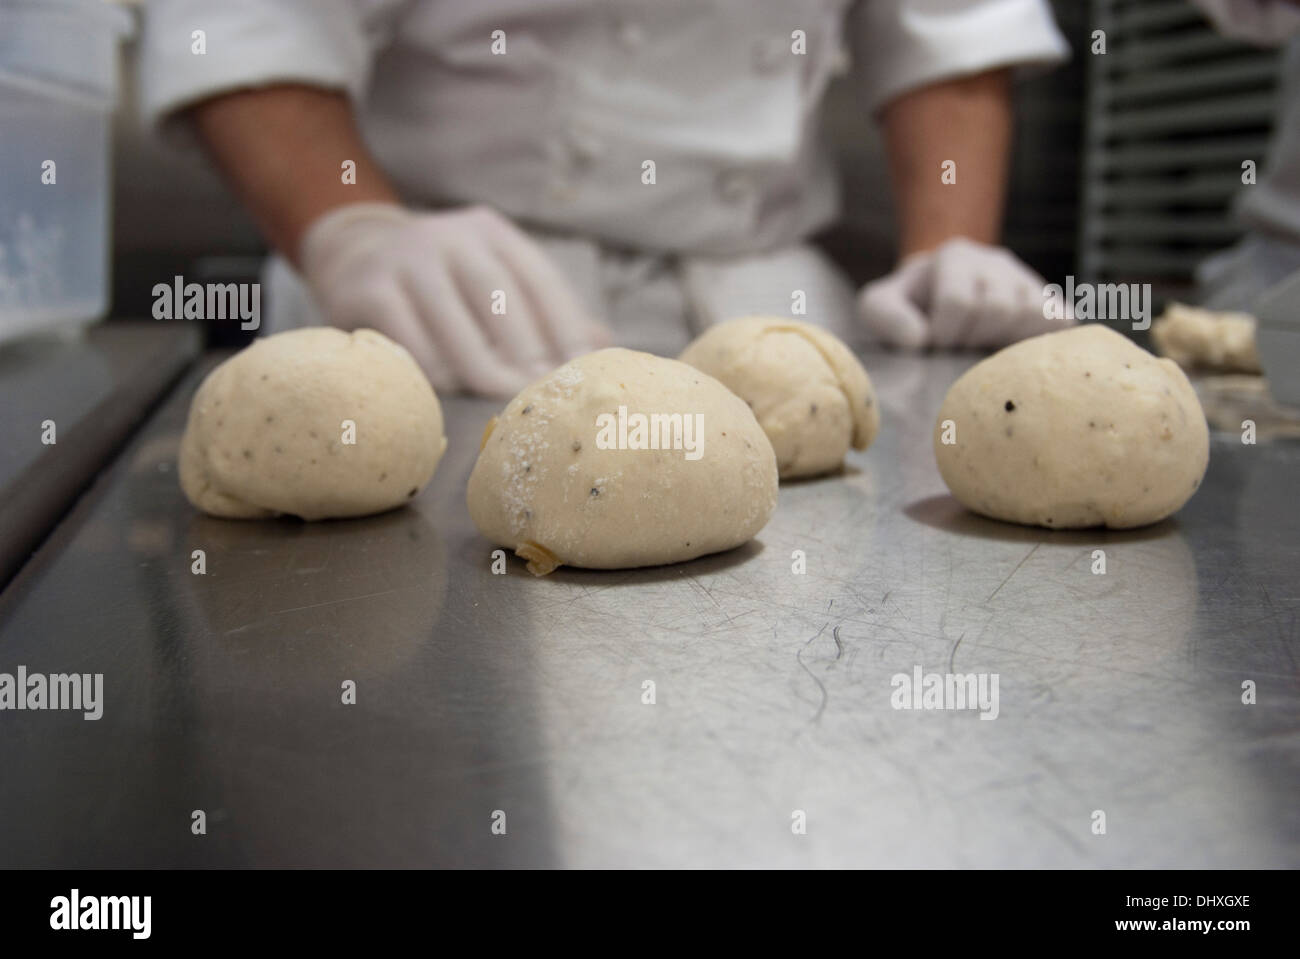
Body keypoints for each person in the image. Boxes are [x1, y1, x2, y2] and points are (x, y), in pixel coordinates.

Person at [139, 0, 1074, 396]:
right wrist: (352, 226)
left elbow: (949, 32)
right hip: (433, 296)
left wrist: (944, 244)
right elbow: (253, 17)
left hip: (766, 305)